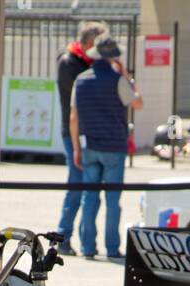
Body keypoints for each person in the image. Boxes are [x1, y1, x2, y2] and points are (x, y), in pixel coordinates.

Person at [70, 36, 143, 262]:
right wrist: (127, 77)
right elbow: (137, 103)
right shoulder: (117, 80)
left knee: (89, 199)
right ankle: (112, 247)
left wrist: (76, 149)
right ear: (113, 57)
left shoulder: (81, 80)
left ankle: (87, 246)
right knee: (113, 201)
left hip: (89, 145)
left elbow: (73, 117)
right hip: (114, 147)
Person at [55, 21, 107, 254]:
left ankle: (86, 241)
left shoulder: (88, 63)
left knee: (91, 190)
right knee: (77, 185)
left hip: (92, 133)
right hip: (74, 133)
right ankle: (62, 236)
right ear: (88, 44)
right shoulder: (69, 63)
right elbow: (81, 101)